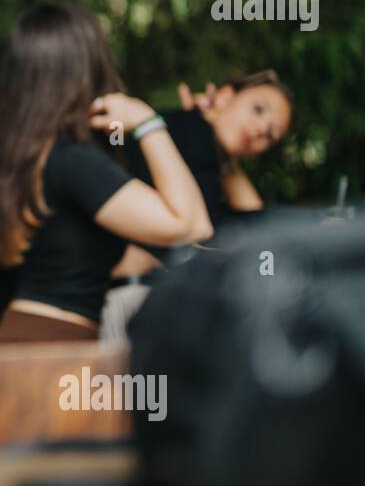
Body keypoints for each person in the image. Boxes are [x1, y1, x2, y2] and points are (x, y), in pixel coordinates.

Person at [0, 2, 212, 344]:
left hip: (25, 340)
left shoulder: (28, 158)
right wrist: (147, 122)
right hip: (53, 348)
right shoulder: (73, 161)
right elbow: (191, 224)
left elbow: (73, 257)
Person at [101, 70, 295, 343]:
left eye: (271, 136)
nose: (261, 129)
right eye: (258, 109)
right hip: (124, 300)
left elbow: (252, 228)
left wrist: (229, 162)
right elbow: (227, 237)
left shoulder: (192, 139)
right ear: (226, 95)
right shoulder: (194, 132)